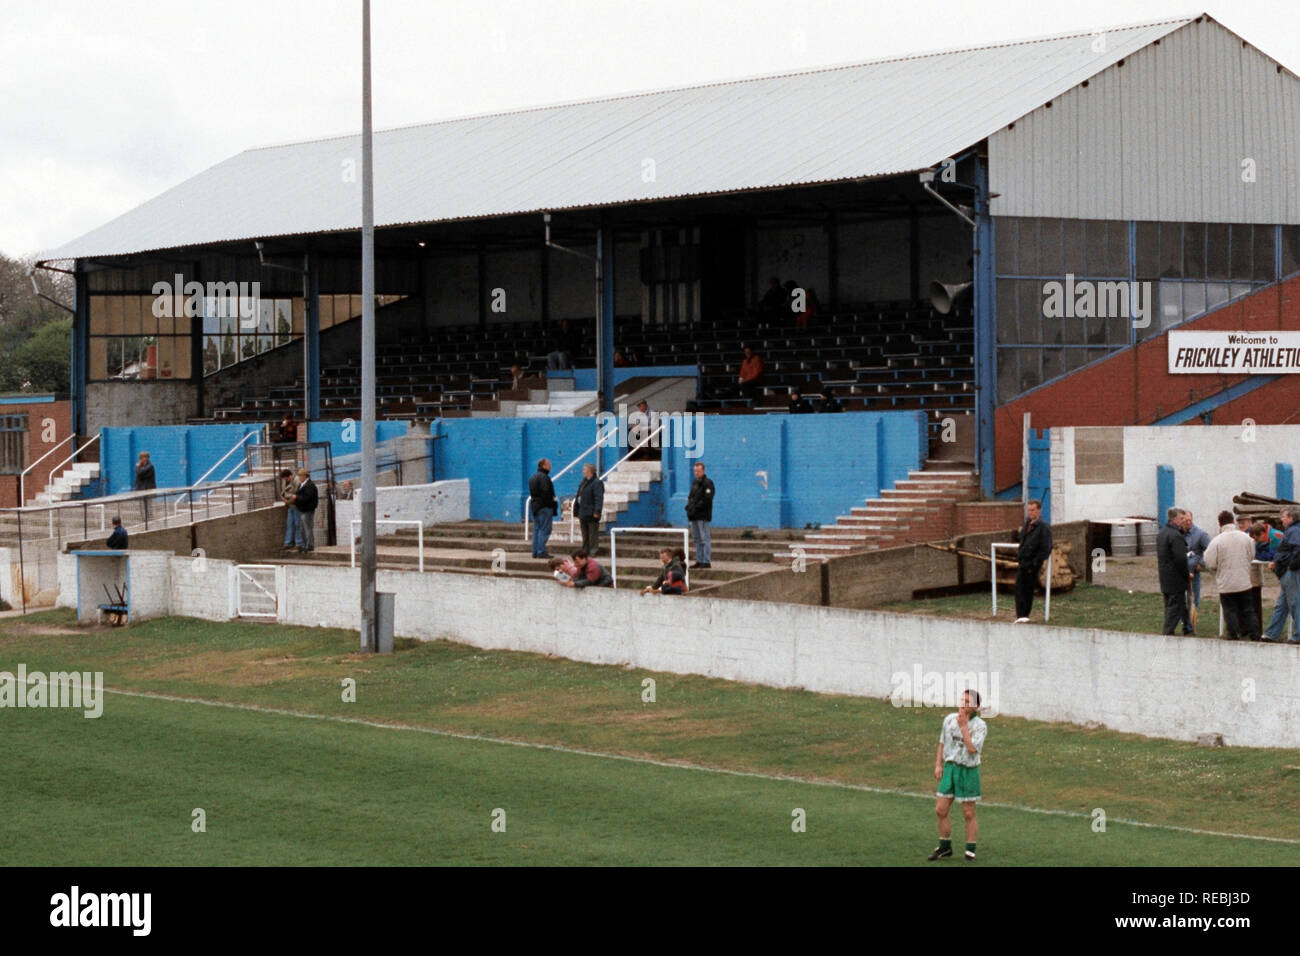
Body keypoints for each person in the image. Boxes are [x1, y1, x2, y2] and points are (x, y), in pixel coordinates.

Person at [928, 688, 987, 862]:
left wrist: (963, 727)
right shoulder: (948, 720)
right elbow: (942, 743)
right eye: (962, 700)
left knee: (968, 812)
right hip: (950, 769)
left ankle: (970, 849)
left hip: (968, 771)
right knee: (940, 809)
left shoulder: (980, 726)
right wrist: (938, 764)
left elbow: (972, 749)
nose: (963, 704)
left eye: (967, 702)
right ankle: (945, 847)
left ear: (976, 706)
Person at [1203, 510, 1260, 640]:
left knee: (1230, 610)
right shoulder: (1246, 538)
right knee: (1248, 609)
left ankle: (1233, 634)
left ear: (1220, 524)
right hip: (1244, 581)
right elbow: (1251, 555)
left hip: (1226, 583)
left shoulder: (1217, 541)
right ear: (1233, 521)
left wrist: (1217, 568)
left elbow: (1209, 561)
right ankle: (1255, 634)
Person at [1011, 499, 1052, 623]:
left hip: (1032, 565)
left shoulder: (1043, 527)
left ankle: (1024, 616)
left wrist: (1035, 563)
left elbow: (1046, 548)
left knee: (1027, 591)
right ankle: (1020, 616)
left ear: (1039, 510)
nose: (1031, 513)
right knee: (1019, 590)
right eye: (1029, 510)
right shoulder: (1027, 525)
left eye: (1033, 510)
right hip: (1023, 562)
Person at [1263, 506, 1300, 644]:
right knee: (1282, 605)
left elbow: (1298, 548)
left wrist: (1291, 566)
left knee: (1296, 604)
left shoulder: (1294, 531)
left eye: (1283, 517)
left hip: (1291, 573)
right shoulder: (1291, 531)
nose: (1281, 519)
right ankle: (1271, 633)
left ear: (1290, 518)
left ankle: (1298, 635)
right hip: (1286, 573)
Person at [1156, 507, 1190, 636]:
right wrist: (1186, 574)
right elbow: (1180, 558)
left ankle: (1175, 629)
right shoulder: (1176, 536)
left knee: (1169, 605)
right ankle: (1167, 632)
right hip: (1176, 578)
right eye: (1181, 518)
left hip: (1164, 576)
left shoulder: (1162, 533)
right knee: (1175, 606)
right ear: (1174, 519)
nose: (1183, 521)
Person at [1181, 510, 1211, 635]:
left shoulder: (1200, 534)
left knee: (1193, 600)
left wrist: (1202, 563)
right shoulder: (1178, 534)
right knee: (1182, 600)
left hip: (1194, 573)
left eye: (1190, 520)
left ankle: (1191, 626)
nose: (1188, 522)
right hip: (1181, 573)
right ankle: (1185, 625)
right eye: (1185, 520)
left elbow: (1210, 549)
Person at [685, 460, 715, 569]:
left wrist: (695, 507)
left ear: (703, 471)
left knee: (704, 538)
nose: (696, 473)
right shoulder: (695, 483)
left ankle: (706, 561)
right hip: (693, 516)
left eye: (698, 471)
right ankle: (699, 560)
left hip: (702, 516)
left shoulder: (708, 483)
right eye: (695, 471)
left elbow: (707, 499)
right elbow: (691, 497)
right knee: (697, 539)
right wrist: (689, 507)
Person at [529, 458, 557, 559]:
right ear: (543, 465)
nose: (550, 466)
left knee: (537, 529)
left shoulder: (533, 477)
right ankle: (541, 551)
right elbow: (546, 492)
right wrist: (551, 503)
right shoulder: (544, 478)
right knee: (545, 529)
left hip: (535, 506)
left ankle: (535, 551)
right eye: (549, 464)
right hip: (544, 506)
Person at [575, 462, 605, 556]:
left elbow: (598, 498)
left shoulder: (596, 483)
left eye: (584, 470)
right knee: (585, 534)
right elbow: (579, 495)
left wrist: (597, 511)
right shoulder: (584, 482)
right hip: (583, 512)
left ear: (590, 471)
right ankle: (585, 551)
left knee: (592, 534)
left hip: (591, 512)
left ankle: (593, 551)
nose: (583, 471)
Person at [291, 467, 319, 553]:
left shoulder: (309, 485)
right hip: (302, 509)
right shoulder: (302, 485)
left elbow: (307, 497)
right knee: (303, 528)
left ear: (305, 476)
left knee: (307, 528)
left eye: (300, 475)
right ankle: (304, 544)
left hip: (307, 510)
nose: (299, 477)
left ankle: (309, 545)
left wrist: (296, 497)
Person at [278, 468, 301, 554]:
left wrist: (288, 500)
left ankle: (298, 543)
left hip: (295, 505)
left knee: (297, 524)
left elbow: (296, 494)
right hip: (289, 506)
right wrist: (284, 498)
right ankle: (288, 543)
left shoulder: (296, 481)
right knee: (289, 524)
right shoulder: (285, 481)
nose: (285, 480)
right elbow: (283, 492)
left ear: (290, 476)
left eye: (286, 478)